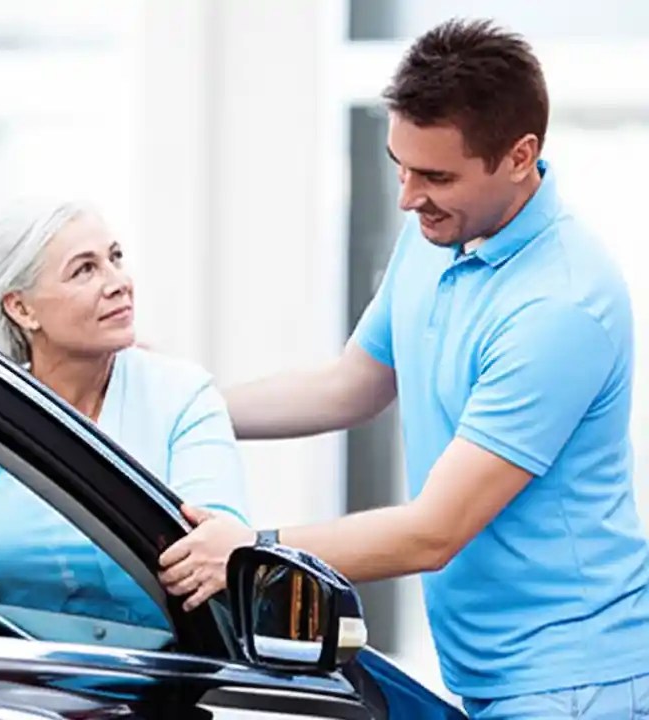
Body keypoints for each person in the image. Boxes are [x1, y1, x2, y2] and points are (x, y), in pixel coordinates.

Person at [157, 18, 649, 718]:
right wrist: (180, 402)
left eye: (436, 176)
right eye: (401, 166)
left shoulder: (562, 305)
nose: (407, 196)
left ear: (520, 156)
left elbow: (434, 531)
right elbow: (351, 385)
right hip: (494, 674)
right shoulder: (440, 234)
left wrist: (249, 553)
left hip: (576, 684)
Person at [0, 197, 248, 629]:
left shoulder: (183, 396)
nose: (119, 282)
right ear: (22, 308)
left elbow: (216, 553)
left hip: (161, 683)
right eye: (84, 269)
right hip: (4, 684)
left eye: (115, 258)